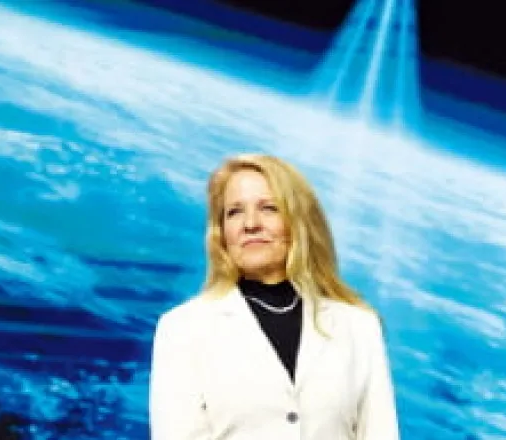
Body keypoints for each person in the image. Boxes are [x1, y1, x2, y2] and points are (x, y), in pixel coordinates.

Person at [149, 154, 401, 440]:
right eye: (234, 212)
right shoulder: (182, 329)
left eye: (268, 208)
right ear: (222, 232)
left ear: (299, 221)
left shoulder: (359, 327)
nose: (250, 224)